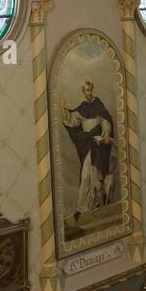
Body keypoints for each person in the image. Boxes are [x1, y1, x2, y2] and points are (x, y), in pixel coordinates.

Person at [61, 79, 115, 222]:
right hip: (88, 144)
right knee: (86, 176)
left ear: (93, 89)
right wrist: (64, 110)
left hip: (100, 145)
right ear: (83, 92)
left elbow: (106, 120)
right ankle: (82, 208)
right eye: (86, 90)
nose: (89, 93)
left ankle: (96, 203)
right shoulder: (82, 108)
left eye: (90, 89)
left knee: (97, 175)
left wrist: (106, 132)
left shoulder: (98, 105)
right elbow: (72, 120)